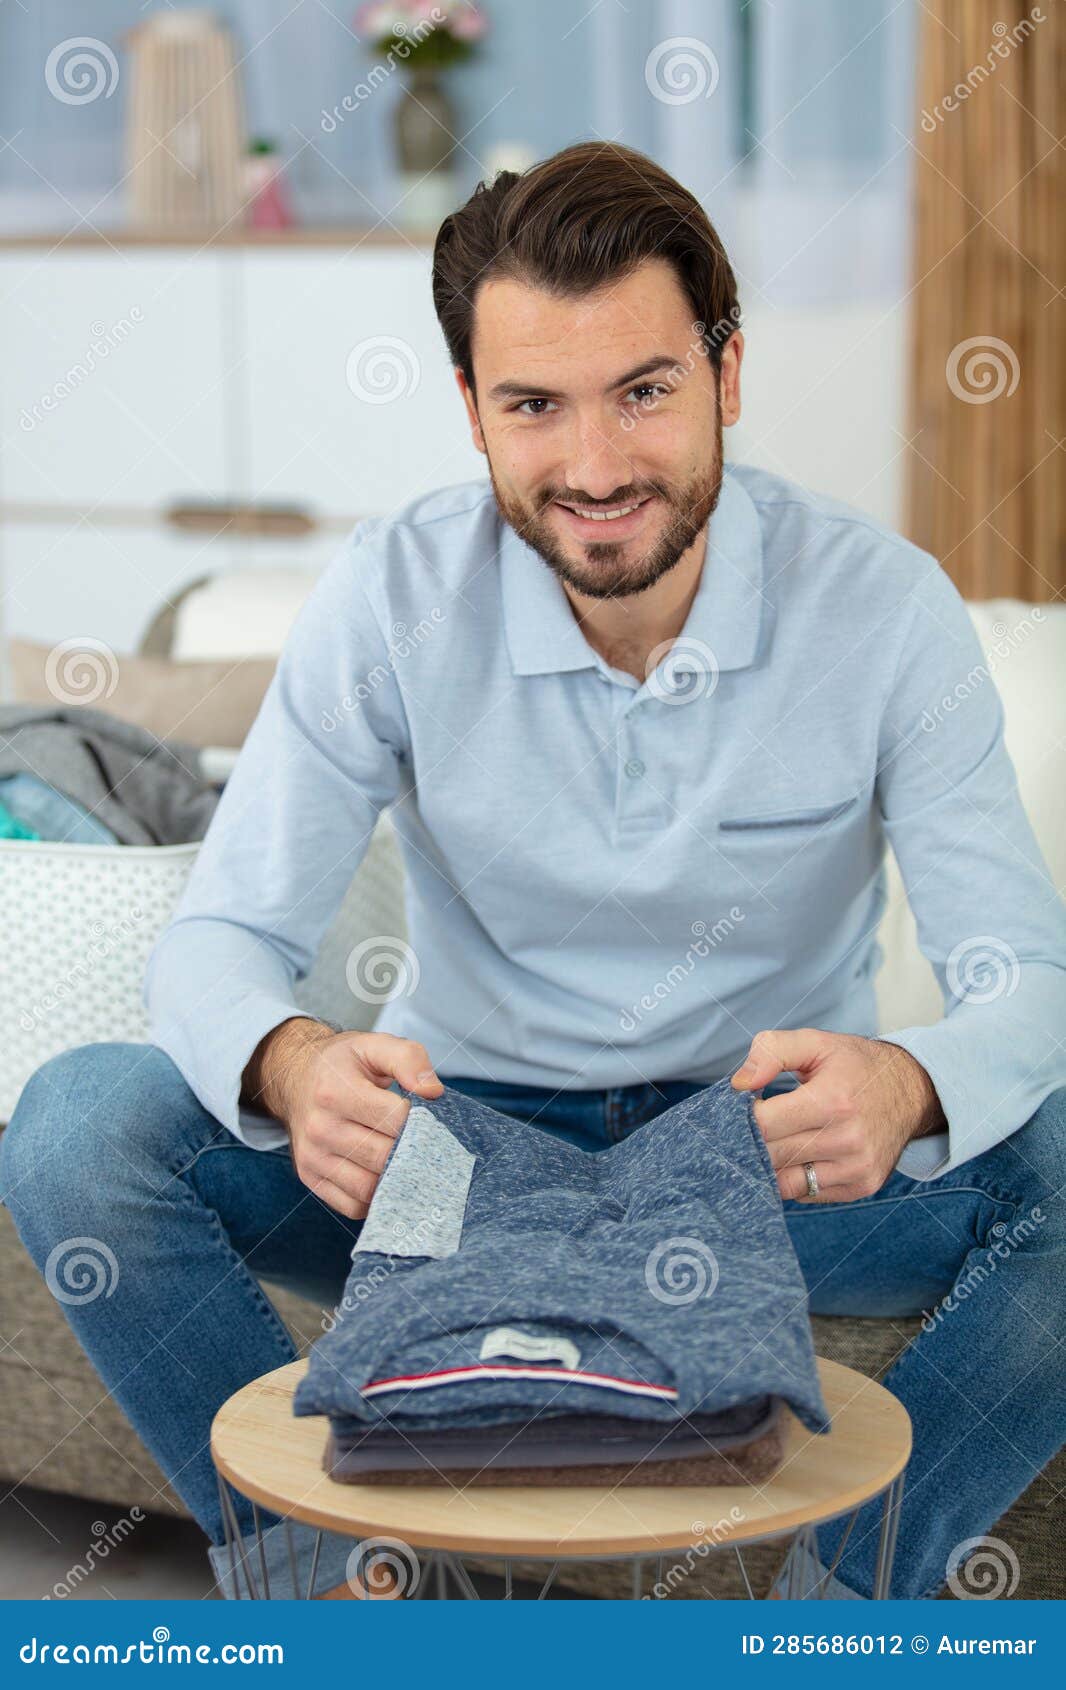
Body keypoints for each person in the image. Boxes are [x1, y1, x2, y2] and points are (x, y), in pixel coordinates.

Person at [2, 141, 1064, 1603]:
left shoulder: (881, 611)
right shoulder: (389, 594)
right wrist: (296, 1061)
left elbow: (1023, 978)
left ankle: (835, 1606)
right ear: (472, 414)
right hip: (454, 1161)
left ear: (726, 374)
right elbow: (219, 940)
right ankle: (355, 1600)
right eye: (532, 405)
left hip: (757, 1169)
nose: (595, 467)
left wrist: (908, 1084)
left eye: (642, 389)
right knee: (77, 1125)